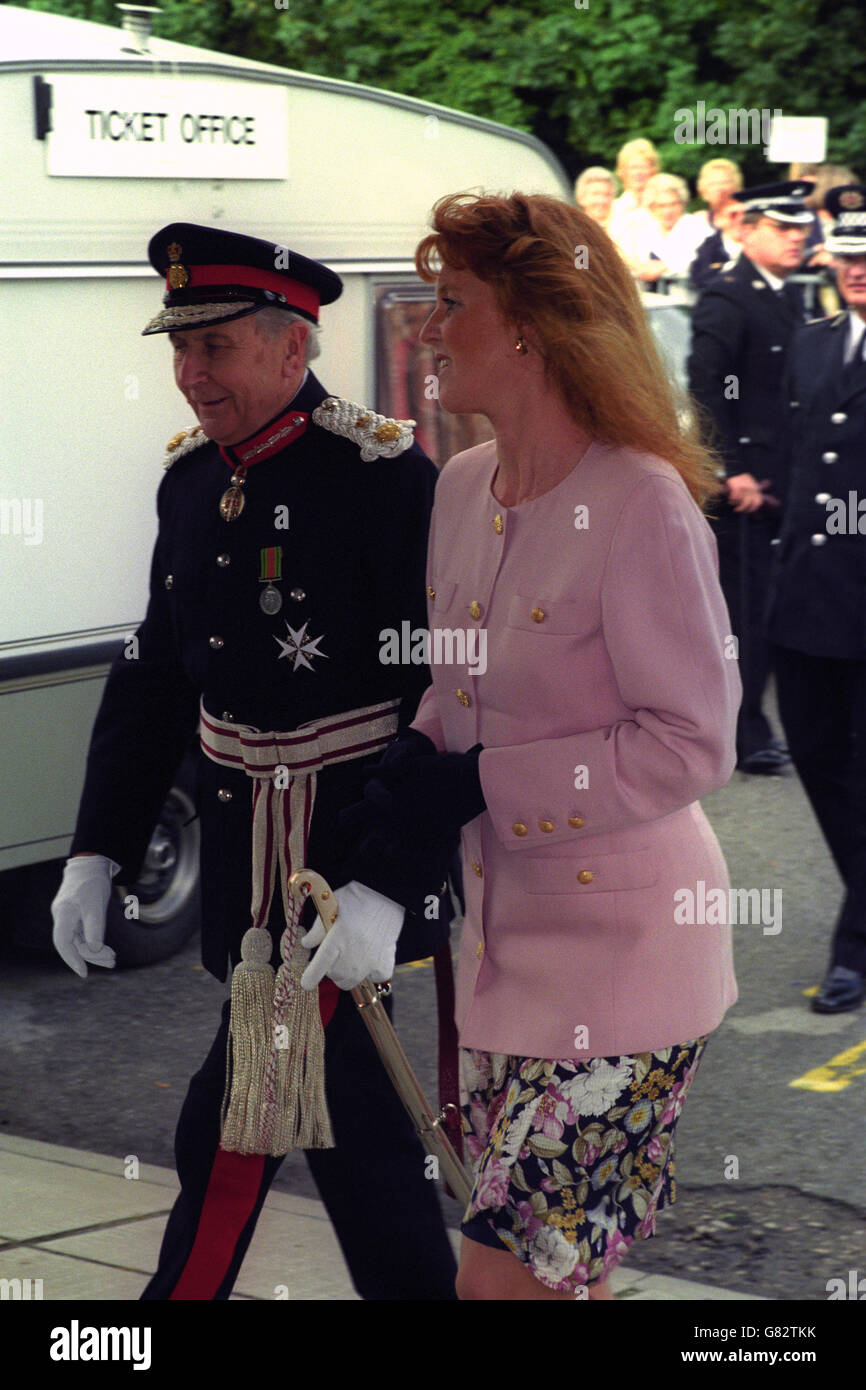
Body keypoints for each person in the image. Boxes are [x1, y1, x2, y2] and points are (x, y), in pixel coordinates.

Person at [328, 191, 741, 1301]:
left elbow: (691, 742)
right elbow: (452, 690)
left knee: (501, 1286)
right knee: (559, 1284)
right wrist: (406, 789)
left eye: (448, 302)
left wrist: (480, 781)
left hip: (627, 972)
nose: (422, 327)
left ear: (527, 324)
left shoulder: (642, 502)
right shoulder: (462, 484)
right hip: (498, 965)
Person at [50, 222, 459, 1300]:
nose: (189, 376)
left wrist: (384, 884)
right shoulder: (190, 485)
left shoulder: (382, 477)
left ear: (290, 349)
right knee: (360, 1148)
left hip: (337, 870)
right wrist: (97, 847)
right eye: (179, 351)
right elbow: (152, 676)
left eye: (215, 348)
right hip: (250, 868)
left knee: (231, 1132)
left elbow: (443, 698)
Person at [766, 184, 866, 1014]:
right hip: (805, 596)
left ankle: (854, 947)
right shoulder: (812, 341)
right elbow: (796, 458)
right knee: (821, 761)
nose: (859, 271)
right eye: (850, 257)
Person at [687, 182, 814, 773]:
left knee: (771, 610)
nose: (798, 236)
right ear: (747, 229)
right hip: (744, 486)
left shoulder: (786, 297)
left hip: (781, 480)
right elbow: (708, 387)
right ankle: (741, 734)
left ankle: (757, 727)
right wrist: (728, 470)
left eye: (800, 227)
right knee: (744, 616)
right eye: (783, 226)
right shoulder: (728, 297)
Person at [617, 172, 712, 288]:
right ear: (652, 207)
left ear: (683, 204)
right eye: (661, 206)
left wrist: (665, 266)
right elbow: (637, 262)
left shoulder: (697, 226)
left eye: (673, 204)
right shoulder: (647, 231)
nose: (668, 211)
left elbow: (705, 260)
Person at [695, 158, 743, 227]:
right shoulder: (699, 222)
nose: (720, 188)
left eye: (725, 182)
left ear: (736, 186)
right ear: (703, 191)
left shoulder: (749, 216)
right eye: (714, 184)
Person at [574, 166, 618, 234]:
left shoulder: (624, 230)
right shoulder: (573, 232)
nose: (602, 201)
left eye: (607, 194)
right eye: (596, 194)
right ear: (581, 198)